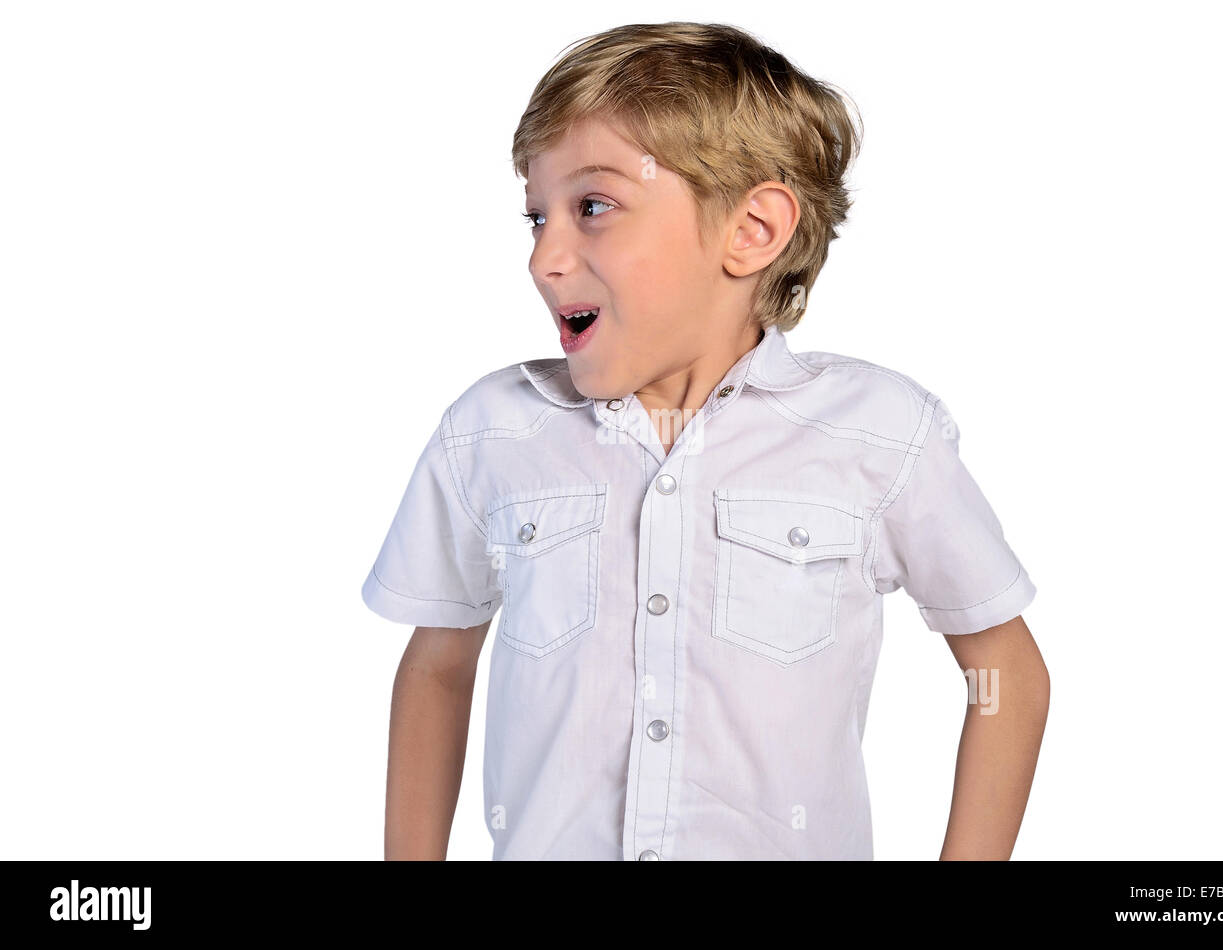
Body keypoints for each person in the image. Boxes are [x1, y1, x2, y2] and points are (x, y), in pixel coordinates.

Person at [362, 21, 1048, 860]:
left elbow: (1005, 672)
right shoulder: (493, 431)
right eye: (536, 216)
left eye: (594, 207)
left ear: (752, 231)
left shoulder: (877, 435)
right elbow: (437, 666)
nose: (545, 256)